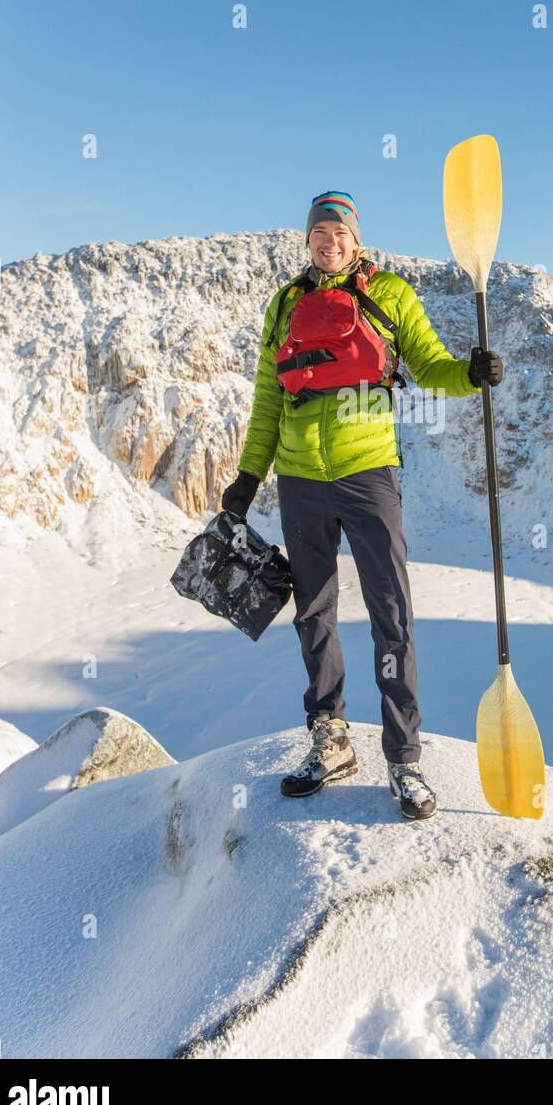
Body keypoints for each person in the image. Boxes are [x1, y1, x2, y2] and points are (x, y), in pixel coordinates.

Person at [221, 190, 503, 820]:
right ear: (308, 240)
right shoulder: (285, 304)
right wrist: (248, 477)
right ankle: (330, 739)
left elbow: (429, 366)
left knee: (390, 611)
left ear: (356, 238)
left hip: (368, 472)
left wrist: (471, 372)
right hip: (298, 478)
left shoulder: (391, 294)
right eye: (319, 231)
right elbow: (270, 396)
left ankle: (403, 759)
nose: (329, 240)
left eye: (339, 231)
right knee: (313, 610)